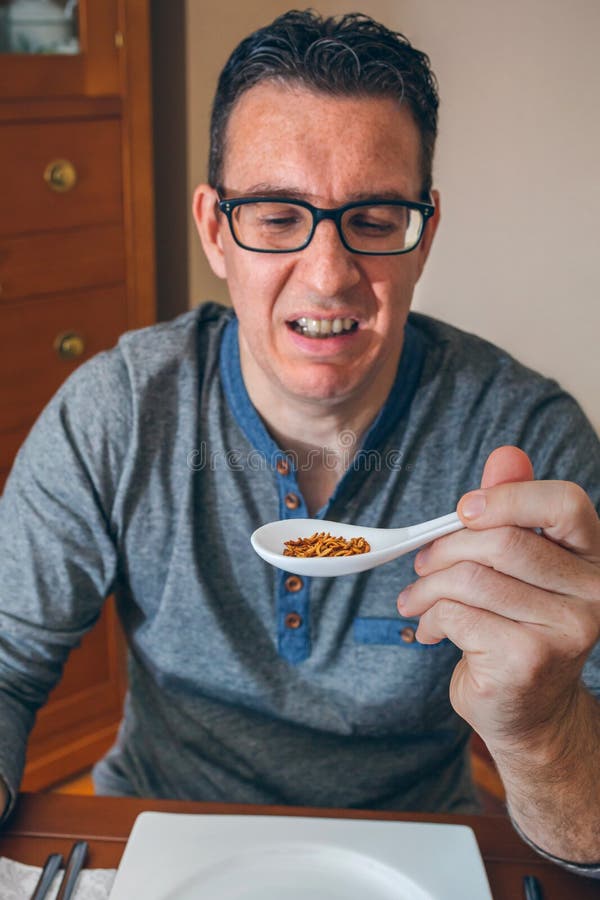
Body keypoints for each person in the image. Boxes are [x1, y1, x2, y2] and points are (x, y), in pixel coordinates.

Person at [0, 9, 599, 878]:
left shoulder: (529, 445)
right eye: (278, 216)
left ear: (422, 232)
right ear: (214, 230)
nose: (327, 273)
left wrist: (541, 731)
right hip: (159, 830)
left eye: (374, 216)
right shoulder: (120, 411)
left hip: (420, 854)